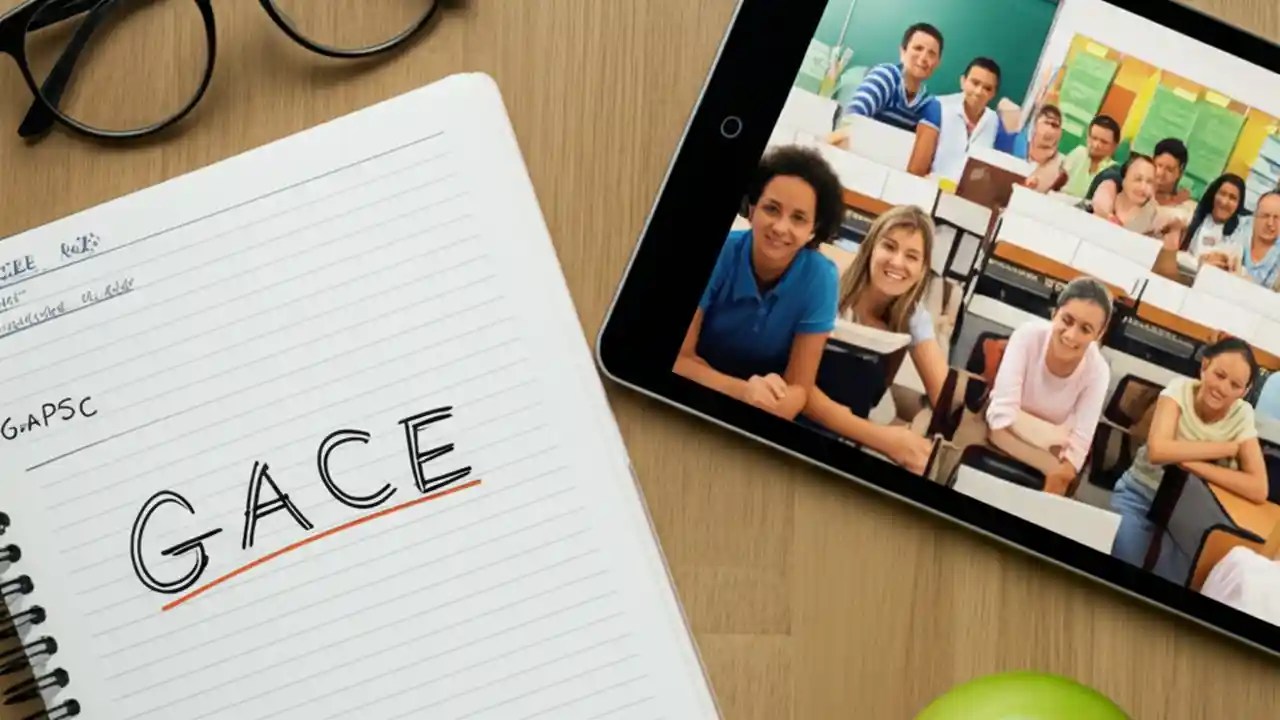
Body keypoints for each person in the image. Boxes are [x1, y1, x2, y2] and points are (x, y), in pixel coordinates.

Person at [676, 145, 843, 420]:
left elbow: (799, 388)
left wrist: (780, 406)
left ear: (813, 230)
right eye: (771, 209)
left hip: (763, 406)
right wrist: (743, 392)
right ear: (752, 209)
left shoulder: (822, 277)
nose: (780, 227)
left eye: (798, 218)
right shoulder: (719, 252)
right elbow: (677, 358)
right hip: (692, 392)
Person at [802, 205, 948, 474]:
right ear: (870, 247)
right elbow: (798, 386)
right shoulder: (826, 288)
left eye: (912, 256)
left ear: (923, 269)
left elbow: (947, 400)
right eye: (889, 246)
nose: (897, 262)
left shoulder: (912, 317)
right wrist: (884, 440)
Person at [1110, 337, 1268, 583]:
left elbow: (1258, 488)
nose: (1223, 388)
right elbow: (1158, 451)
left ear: (1244, 392)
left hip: (1190, 517)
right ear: (1204, 366)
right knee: (1122, 570)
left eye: (1235, 385)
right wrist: (1221, 449)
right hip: (1141, 494)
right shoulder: (1178, 390)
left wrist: (1187, 463)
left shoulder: (1242, 414)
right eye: (1219, 375)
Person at [984, 278, 1114, 495]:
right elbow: (997, 427)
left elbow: (1075, 455)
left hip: (1040, 467)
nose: (1071, 335)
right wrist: (1051, 463)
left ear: (1098, 335)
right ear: (1054, 313)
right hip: (995, 450)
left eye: (1085, 329)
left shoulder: (1098, 371)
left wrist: (1019, 424)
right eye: (1067, 320)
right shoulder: (1027, 336)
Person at [827, 23, 944, 176]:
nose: (923, 58)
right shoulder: (887, 76)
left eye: (931, 54)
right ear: (903, 52)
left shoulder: (929, 104)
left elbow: (919, 167)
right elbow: (851, 119)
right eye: (918, 48)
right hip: (852, 163)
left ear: (937, 63)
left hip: (889, 176)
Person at [931, 57, 1011, 185]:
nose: (979, 92)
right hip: (930, 186)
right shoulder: (938, 106)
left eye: (987, 88)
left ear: (993, 94)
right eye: (975, 83)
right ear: (963, 81)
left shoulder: (995, 122)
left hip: (967, 194)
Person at [1090, 138, 1196, 225]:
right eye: (1159, 165)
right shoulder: (1123, 182)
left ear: (1180, 173)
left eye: (1169, 170)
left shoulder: (1184, 206)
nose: (1161, 173)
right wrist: (1109, 216)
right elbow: (1106, 188)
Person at [1091, 154, 1184, 249]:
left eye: (1149, 182)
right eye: (1138, 179)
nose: (1143, 187)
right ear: (1124, 179)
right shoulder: (1101, 203)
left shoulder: (1155, 224)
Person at [1184, 173, 1247, 267]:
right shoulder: (1191, 217)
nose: (1224, 202)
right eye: (1222, 194)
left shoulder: (1239, 237)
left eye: (1232, 198)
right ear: (1213, 195)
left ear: (1239, 204)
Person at [1008, 104, 1068, 193]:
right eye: (1046, 123)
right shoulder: (1015, 148)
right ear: (1035, 125)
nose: (1050, 130)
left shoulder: (1061, 167)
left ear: (1060, 133)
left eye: (1055, 125)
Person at [1228, 191, 1280, 288]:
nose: (1270, 223)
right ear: (1255, 214)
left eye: (1277, 218)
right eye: (1265, 216)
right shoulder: (1239, 225)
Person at [1060, 115, 1120, 198]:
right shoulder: (1078, 152)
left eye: (1104, 142)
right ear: (1088, 137)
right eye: (1094, 138)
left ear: (1114, 147)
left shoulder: (1113, 172)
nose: (1096, 145)